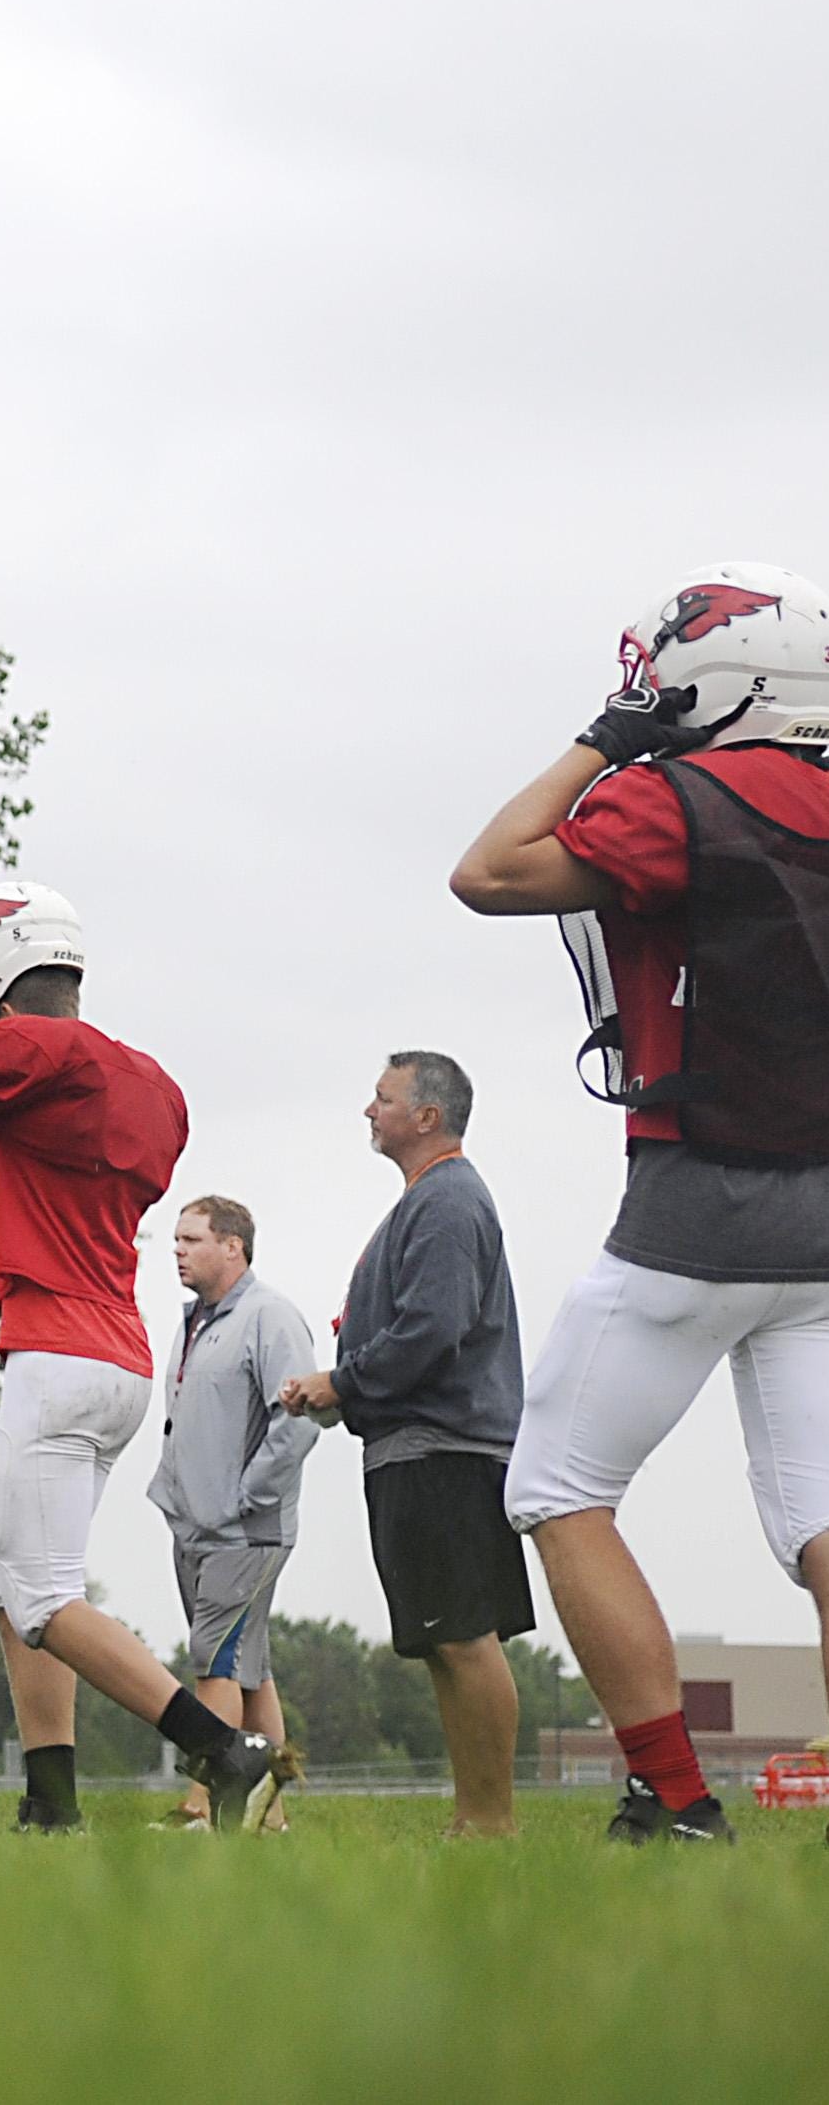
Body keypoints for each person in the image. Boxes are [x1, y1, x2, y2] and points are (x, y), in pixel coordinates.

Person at [451, 563, 829, 1846]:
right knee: (822, 1516)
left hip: (702, 1198)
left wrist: (601, 742)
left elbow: (489, 869)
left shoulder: (685, 795)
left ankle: (671, 1797)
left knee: (557, 1481)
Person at [0, 877, 295, 1832]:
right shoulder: (148, 1078)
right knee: (6, 1589)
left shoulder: (25, 1046)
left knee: (43, 1595)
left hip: (54, 1352)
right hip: (118, 1357)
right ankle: (49, 1801)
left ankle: (224, 1751)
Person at [277, 1057, 532, 1835]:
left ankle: (489, 1821)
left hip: (443, 1448)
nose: (367, 1108)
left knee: (461, 1636)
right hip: (418, 1446)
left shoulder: (448, 1198)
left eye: (382, 1098)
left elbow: (432, 1328)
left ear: (426, 1116)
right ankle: (472, 1817)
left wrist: (341, 1381)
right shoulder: (427, 1199)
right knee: (441, 1642)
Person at [151, 1193, 316, 1829]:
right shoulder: (194, 1319)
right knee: (250, 1668)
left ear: (232, 1246)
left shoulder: (270, 1316)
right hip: (192, 1527)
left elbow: (298, 1424)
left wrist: (248, 1497)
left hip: (245, 1534)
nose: (178, 1251)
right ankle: (271, 1819)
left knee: (213, 1657)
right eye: (176, 1241)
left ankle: (201, 1807)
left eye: (192, 1240)